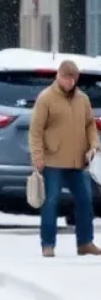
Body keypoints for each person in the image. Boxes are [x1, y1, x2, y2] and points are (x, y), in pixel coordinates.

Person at [28, 60, 101, 258]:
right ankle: (48, 244)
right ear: (58, 76)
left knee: (85, 200)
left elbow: (90, 125)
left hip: (78, 161)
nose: (70, 83)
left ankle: (85, 242)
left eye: (74, 79)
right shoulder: (46, 98)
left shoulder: (82, 99)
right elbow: (35, 131)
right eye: (67, 78)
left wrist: (93, 145)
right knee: (50, 202)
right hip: (53, 161)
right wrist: (38, 156)